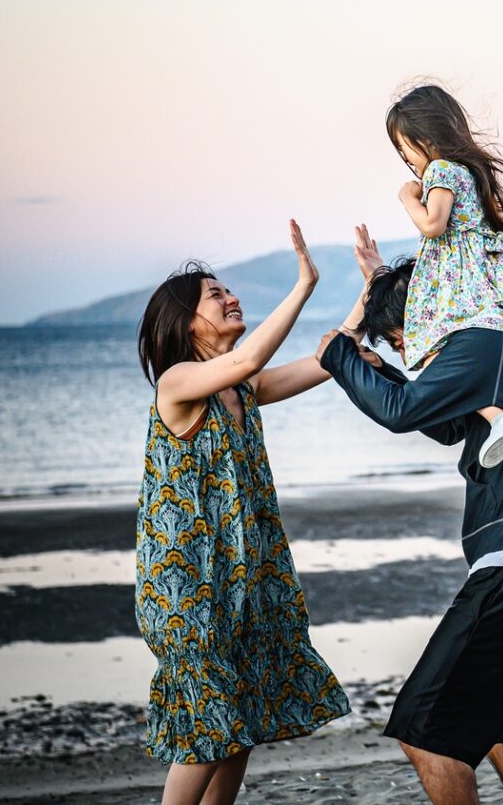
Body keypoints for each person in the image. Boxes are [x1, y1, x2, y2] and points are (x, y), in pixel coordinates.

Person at [314, 226, 503, 805]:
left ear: (422, 314)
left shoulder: (478, 345)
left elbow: (400, 413)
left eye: (397, 340)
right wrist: (379, 355)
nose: (403, 352)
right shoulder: (501, 344)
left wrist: (341, 354)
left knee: (428, 732)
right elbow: (443, 425)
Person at [134, 220, 350, 805]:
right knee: (207, 730)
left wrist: (369, 297)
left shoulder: (243, 389)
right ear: (186, 323)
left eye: (228, 290)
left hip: (246, 579)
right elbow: (253, 354)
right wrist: (304, 283)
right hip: (189, 591)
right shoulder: (179, 383)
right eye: (215, 295)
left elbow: (326, 361)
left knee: (239, 727)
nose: (231, 298)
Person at [386, 83, 503, 467]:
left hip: (460, 289)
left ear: (424, 137)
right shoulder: (468, 173)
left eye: (404, 145)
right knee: (441, 357)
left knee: (429, 353)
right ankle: (498, 416)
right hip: (482, 285)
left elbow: (433, 225)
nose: (405, 157)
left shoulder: (442, 170)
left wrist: (407, 198)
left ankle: (498, 416)